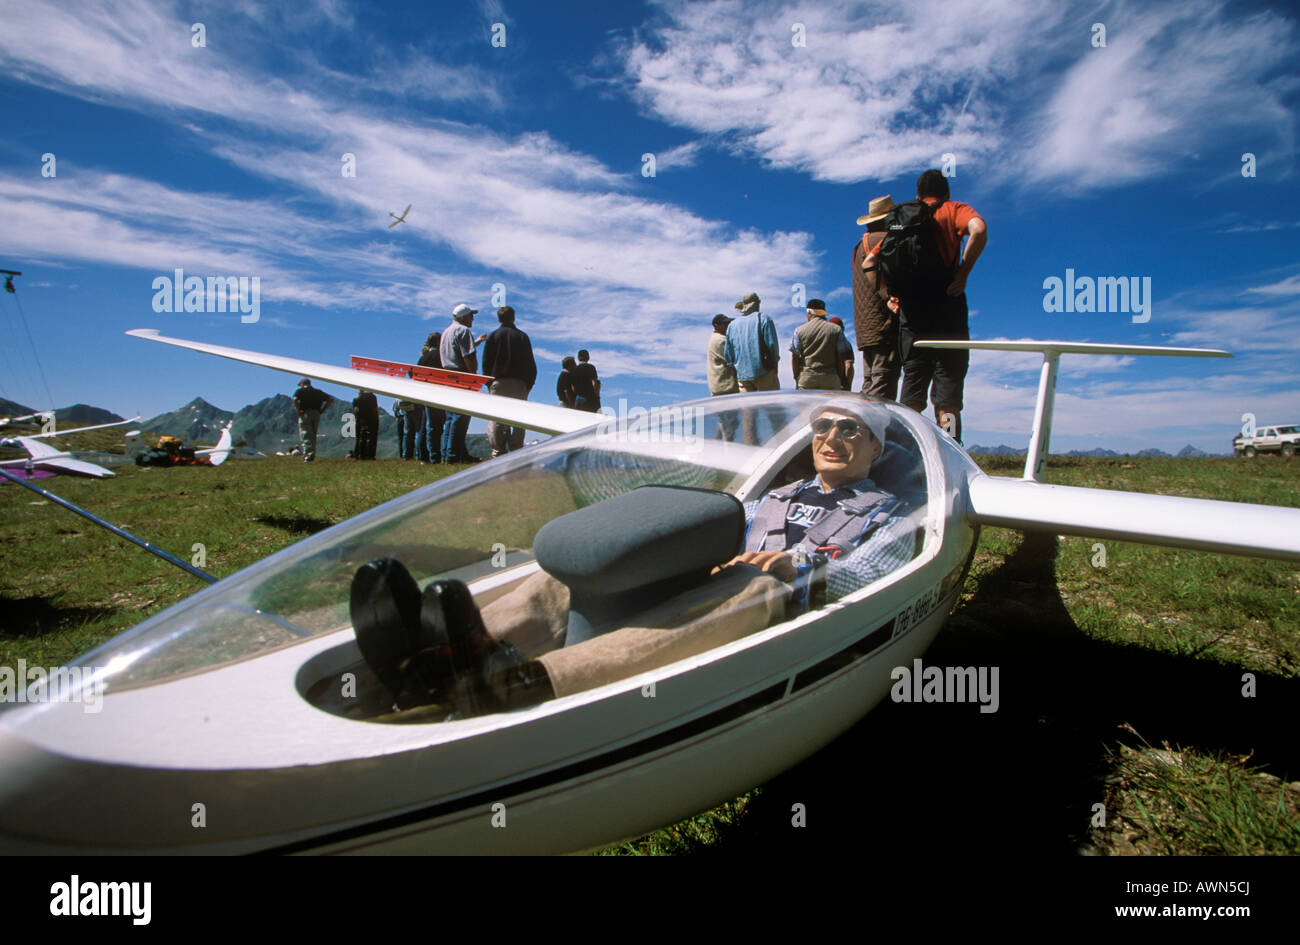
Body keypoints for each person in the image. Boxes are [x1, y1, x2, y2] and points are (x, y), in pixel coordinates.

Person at [349, 398, 915, 716]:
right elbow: (715, 529)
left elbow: (883, 568)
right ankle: (447, 652)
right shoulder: (775, 496)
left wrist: (800, 568)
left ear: (873, 449)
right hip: (718, 578)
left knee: (749, 588)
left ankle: (519, 682)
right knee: (587, 564)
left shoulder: (887, 509)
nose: (831, 436)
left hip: (778, 605)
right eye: (823, 426)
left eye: (850, 429)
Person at [869, 171, 987, 441]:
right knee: (949, 388)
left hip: (912, 314)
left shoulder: (904, 217)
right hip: (948, 308)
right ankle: (951, 448)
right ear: (946, 192)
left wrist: (889, 296)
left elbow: (870, 264)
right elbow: (978, 229)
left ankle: (904, 449)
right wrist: (963, 273)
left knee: (912, 383)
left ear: (918, 194)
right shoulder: (953, 209)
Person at [853, 195, 900, 399]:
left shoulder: (858, 246)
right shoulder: (887, 240)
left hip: (865, 328)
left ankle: (860, 427)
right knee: (883, 385)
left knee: (870, 381)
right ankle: (870, 430)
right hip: (885, 324)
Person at [481, 305, 537, 457]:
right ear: (513, 318)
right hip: (519, 383)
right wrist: (528, 384)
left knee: (497, 418)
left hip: (498, 381)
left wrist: (488, 382)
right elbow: (530, 363)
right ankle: (516, 450)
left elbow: (486, 361)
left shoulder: (493, 336)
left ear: (499, 319)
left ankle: (498, 451)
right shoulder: (522, 337)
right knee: (519, 419)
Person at [439, 303, 480, 463]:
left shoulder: (446, 332)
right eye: (470, 315)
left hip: (447, 376)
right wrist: (473, 377)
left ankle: (448, 453)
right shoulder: (464, 331)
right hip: (461, 376)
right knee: (460, 418)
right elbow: (468, 356)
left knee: (450, 418)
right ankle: (454, 455)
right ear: (463, 317)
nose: (473, 318)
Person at [723, 291, 780, 391]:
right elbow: (772, 345)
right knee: (771, 405)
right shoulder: (764, 319)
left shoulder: (732, 325)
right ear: (757, 304)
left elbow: (728, 354)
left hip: (743, 375)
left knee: (746, 406)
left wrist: (735, 367)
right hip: (764, 372)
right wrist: (775, 363)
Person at [789, 299, 846, 390]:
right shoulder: (836, 330)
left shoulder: (799, 330)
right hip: (830, 378)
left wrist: (796, 376)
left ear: (809, 313)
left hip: (807, 378)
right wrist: (840, 377)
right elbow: (841, 357)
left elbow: (794, 356)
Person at [416, 331, 444, 464]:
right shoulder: (440, 356)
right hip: (436, 393)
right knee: (434, 426)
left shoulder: (423, 357)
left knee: (424, 426)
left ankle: (423, 455)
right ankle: (434, 456)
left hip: (423, 393)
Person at [292, 379, 332, 462]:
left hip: (305, 413)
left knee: (306, 434)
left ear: (303, 384)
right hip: (316, 413)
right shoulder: (318, 392)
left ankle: (308, 456)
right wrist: (322, 410)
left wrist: (298, 410)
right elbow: (330, 399)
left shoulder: (300, 391)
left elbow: (295, 399)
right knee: (313, 434)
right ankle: (312, 454)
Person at [706, 314, 738, 396]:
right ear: (716, 325)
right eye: (724, 324)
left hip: (717, 386)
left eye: (727, 324)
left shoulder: (714, 338)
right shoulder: (721, 340)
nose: (727, 326)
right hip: (726, 386)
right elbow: (734, 360)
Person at [828, 317, 855, 391]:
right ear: (842, 328)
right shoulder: (847, 344)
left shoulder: (823, 344)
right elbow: (849, 366)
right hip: (840, 384)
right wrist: (848, 386)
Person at [352, 390, 379, 460]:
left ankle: (360, 454)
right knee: (371, 437)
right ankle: (370, 455)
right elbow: (374, 409)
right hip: (371, 419)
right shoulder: (372, 397)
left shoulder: (356, 399)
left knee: (360, 437)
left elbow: (355, 410)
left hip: (360, 419)